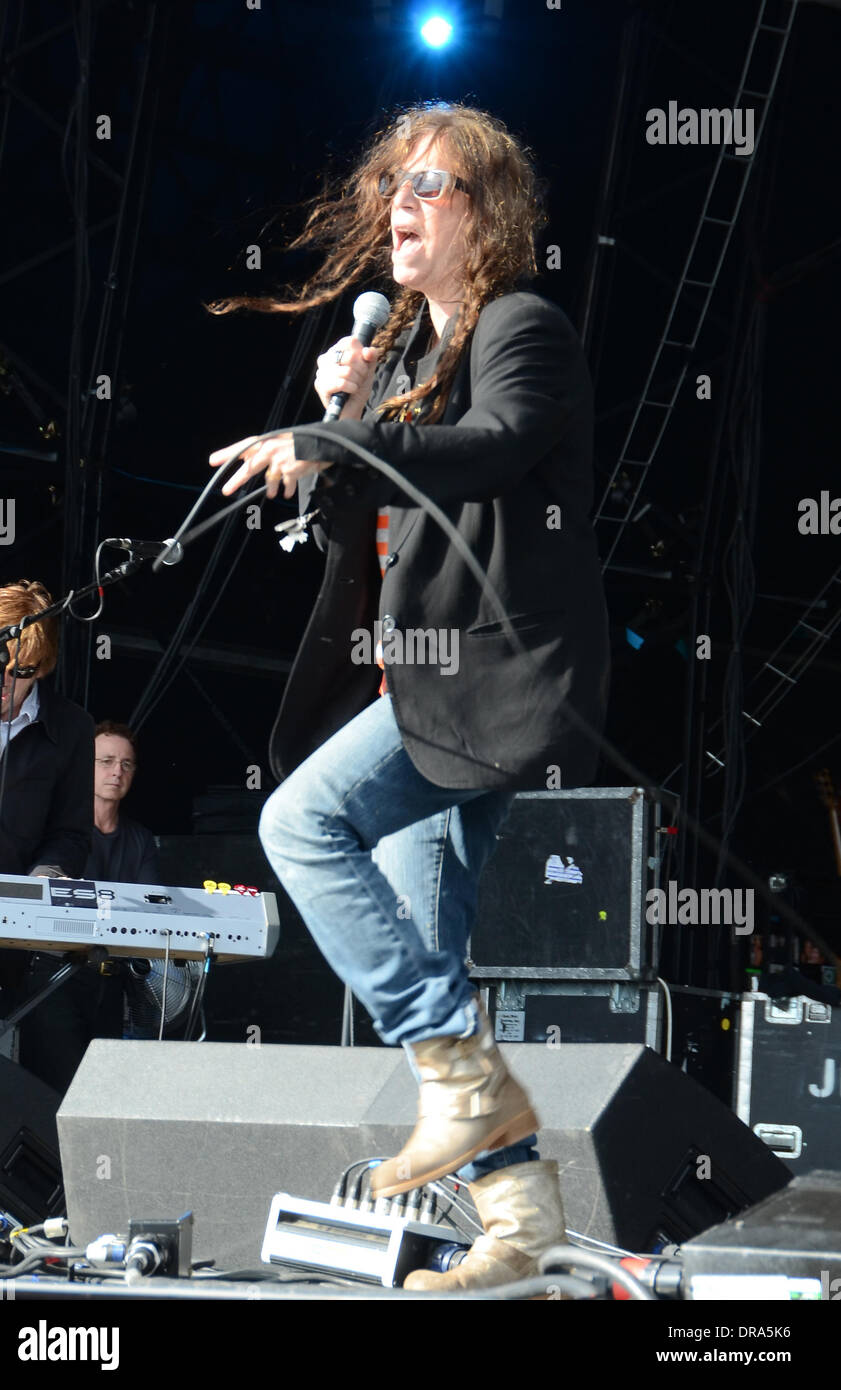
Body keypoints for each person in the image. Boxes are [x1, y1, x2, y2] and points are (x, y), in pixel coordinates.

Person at [209, 103, 610, 1291]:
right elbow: (363, 527)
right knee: (426, 929)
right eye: (393, 182)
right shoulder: (413, 361)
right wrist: (345, 418)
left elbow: (490, 452)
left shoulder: (524, 327)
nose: (399, 203)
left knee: (297, 821)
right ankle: (513, 1221)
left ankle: (466, 1090)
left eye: (429, 185)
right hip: (439, 675)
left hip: (495, 679)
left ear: (485, 214)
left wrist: (342, 439)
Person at [0, 580, 96, 1079]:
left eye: (17, 674)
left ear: (40, 670)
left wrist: (37, 891)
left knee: (31, 1063)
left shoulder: (71, 727)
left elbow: (69, 834)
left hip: (7, 943)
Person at [84, 721, 160, 885]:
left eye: (126, 764)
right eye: (107, 761)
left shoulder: (141, 839)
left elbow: (150, 902)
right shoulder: (60, 830)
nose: (117, 772)